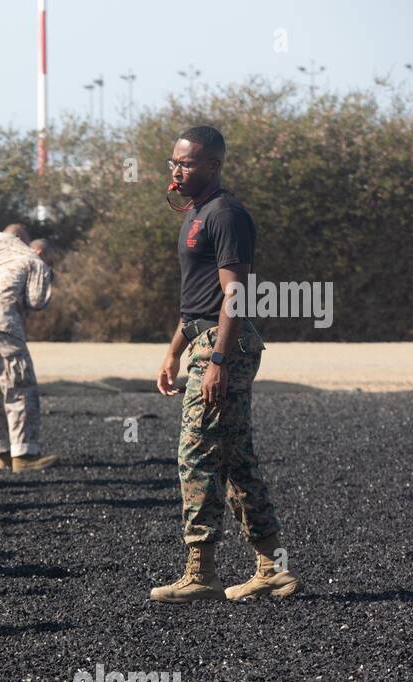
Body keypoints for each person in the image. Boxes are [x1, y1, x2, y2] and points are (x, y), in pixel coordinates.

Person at [150, 126, 300, 603]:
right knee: (235, 460)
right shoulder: (196, 213)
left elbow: (235, 295)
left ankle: (201, 573)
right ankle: (272, 569)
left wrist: (217, 360)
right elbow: (197, 298)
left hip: (224, 347)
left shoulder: (227, 214)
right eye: (174, 161)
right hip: (201, 340)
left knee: (195, 456)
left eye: (188, 163)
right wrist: (174, 351)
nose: (177, 169)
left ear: (213, 166)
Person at [0, 227, 57, 472]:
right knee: (19, 388)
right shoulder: (31, 259)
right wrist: (48, 274)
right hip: (2, 324)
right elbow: (38, 300)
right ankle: (24, 454)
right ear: (37, 249)